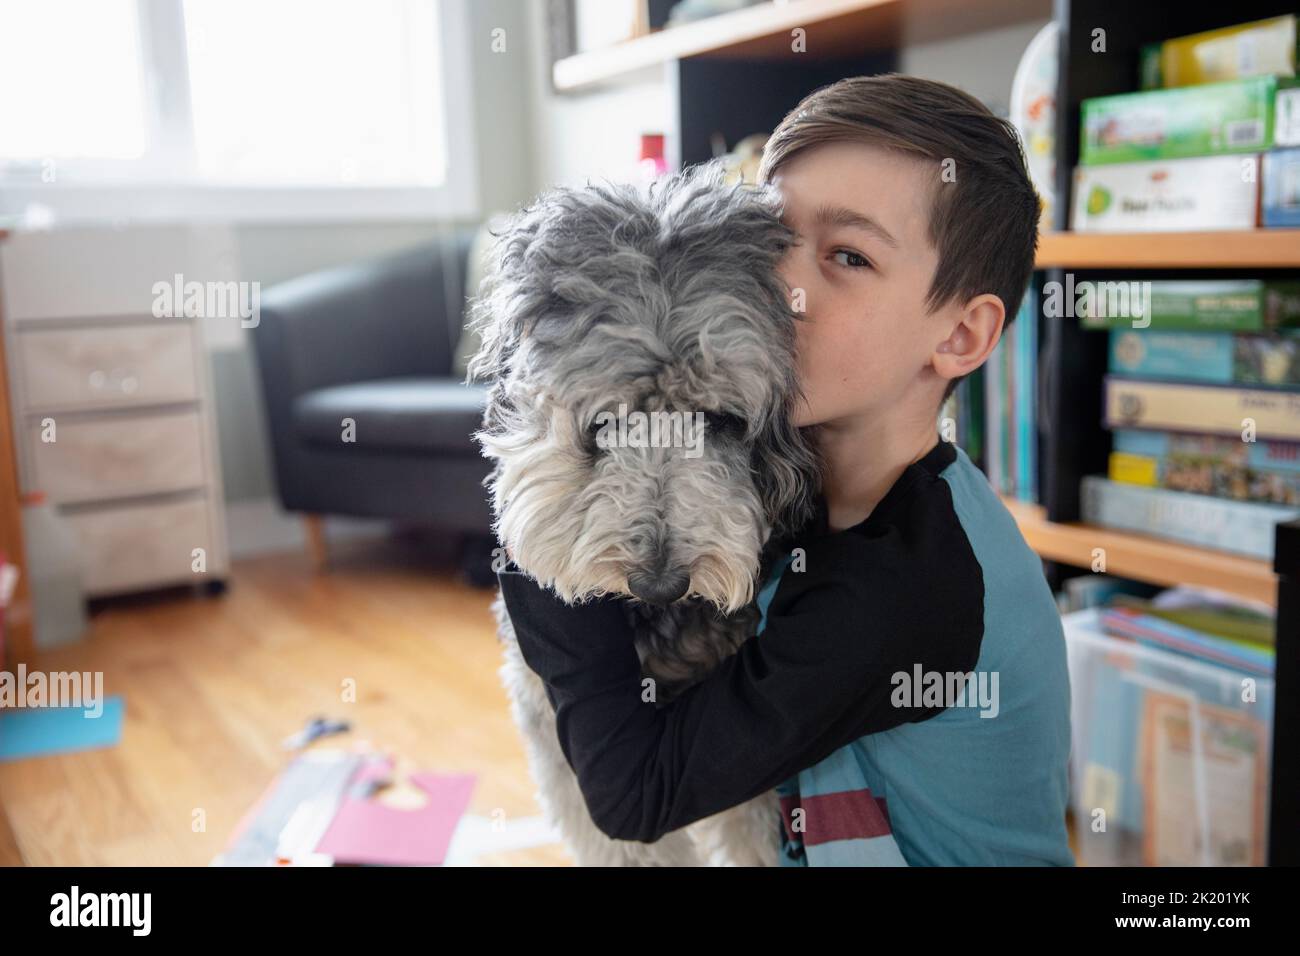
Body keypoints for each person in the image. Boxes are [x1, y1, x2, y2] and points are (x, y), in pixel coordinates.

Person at [497, 73, 1073, 866]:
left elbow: (634, 792)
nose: (783, 290)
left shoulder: (905, 586)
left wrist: (535, 503)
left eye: (846, 255)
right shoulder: (797, 476)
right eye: (770, 241)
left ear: (963, 337)